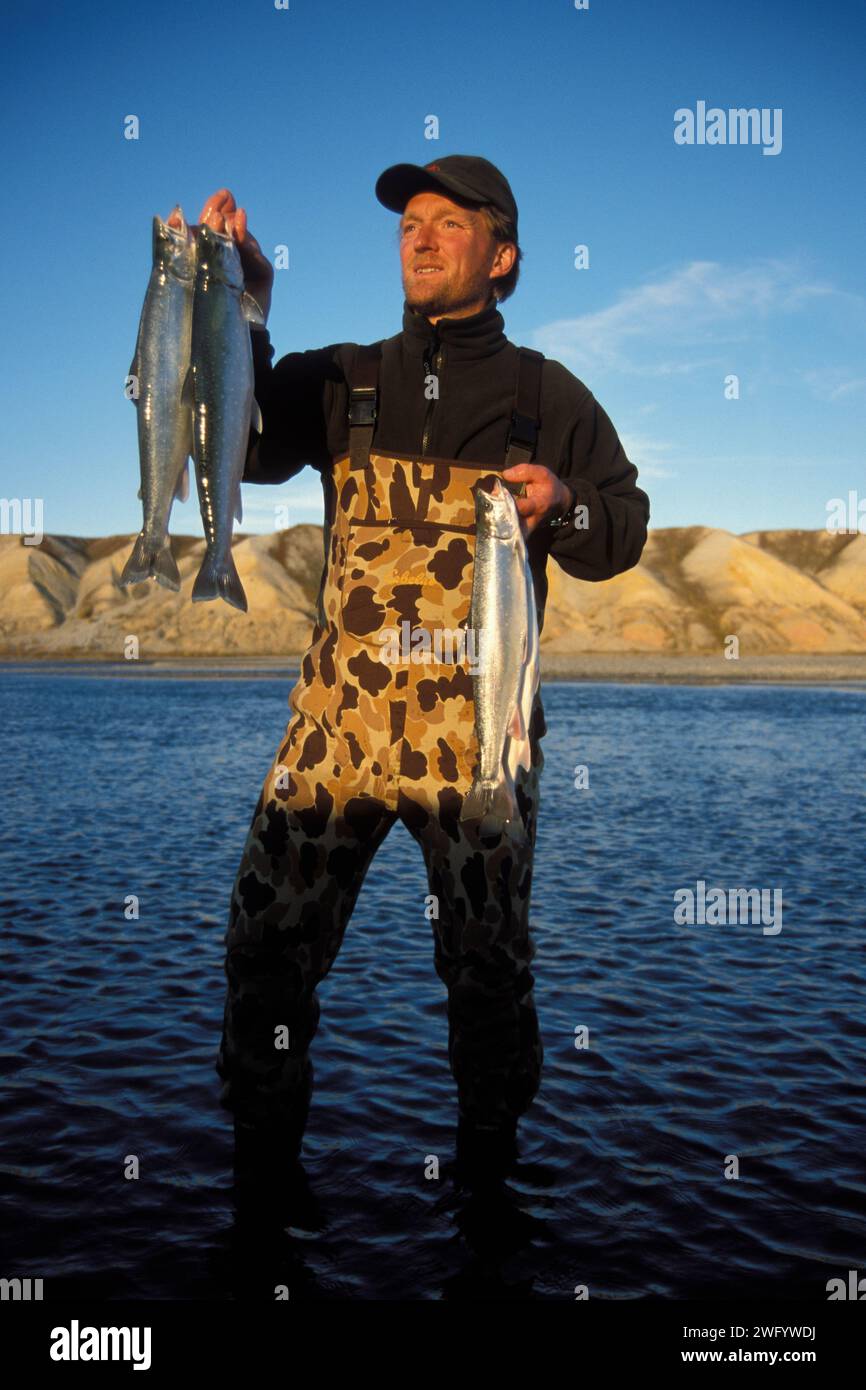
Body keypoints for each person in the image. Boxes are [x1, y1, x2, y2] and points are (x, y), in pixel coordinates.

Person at [196, 156, 650, 1192]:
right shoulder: (343, 379)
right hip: (337, 733)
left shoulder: (547, 394)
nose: (420, 237)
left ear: (502, 256)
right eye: (409, 223)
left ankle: (487, 1188)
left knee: (485, 979)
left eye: (448, 223)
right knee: (264, 957)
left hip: (478, 741)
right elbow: (238, 439)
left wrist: (563, 503)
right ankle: (260, 1187)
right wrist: (242, 303)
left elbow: (621, 526)